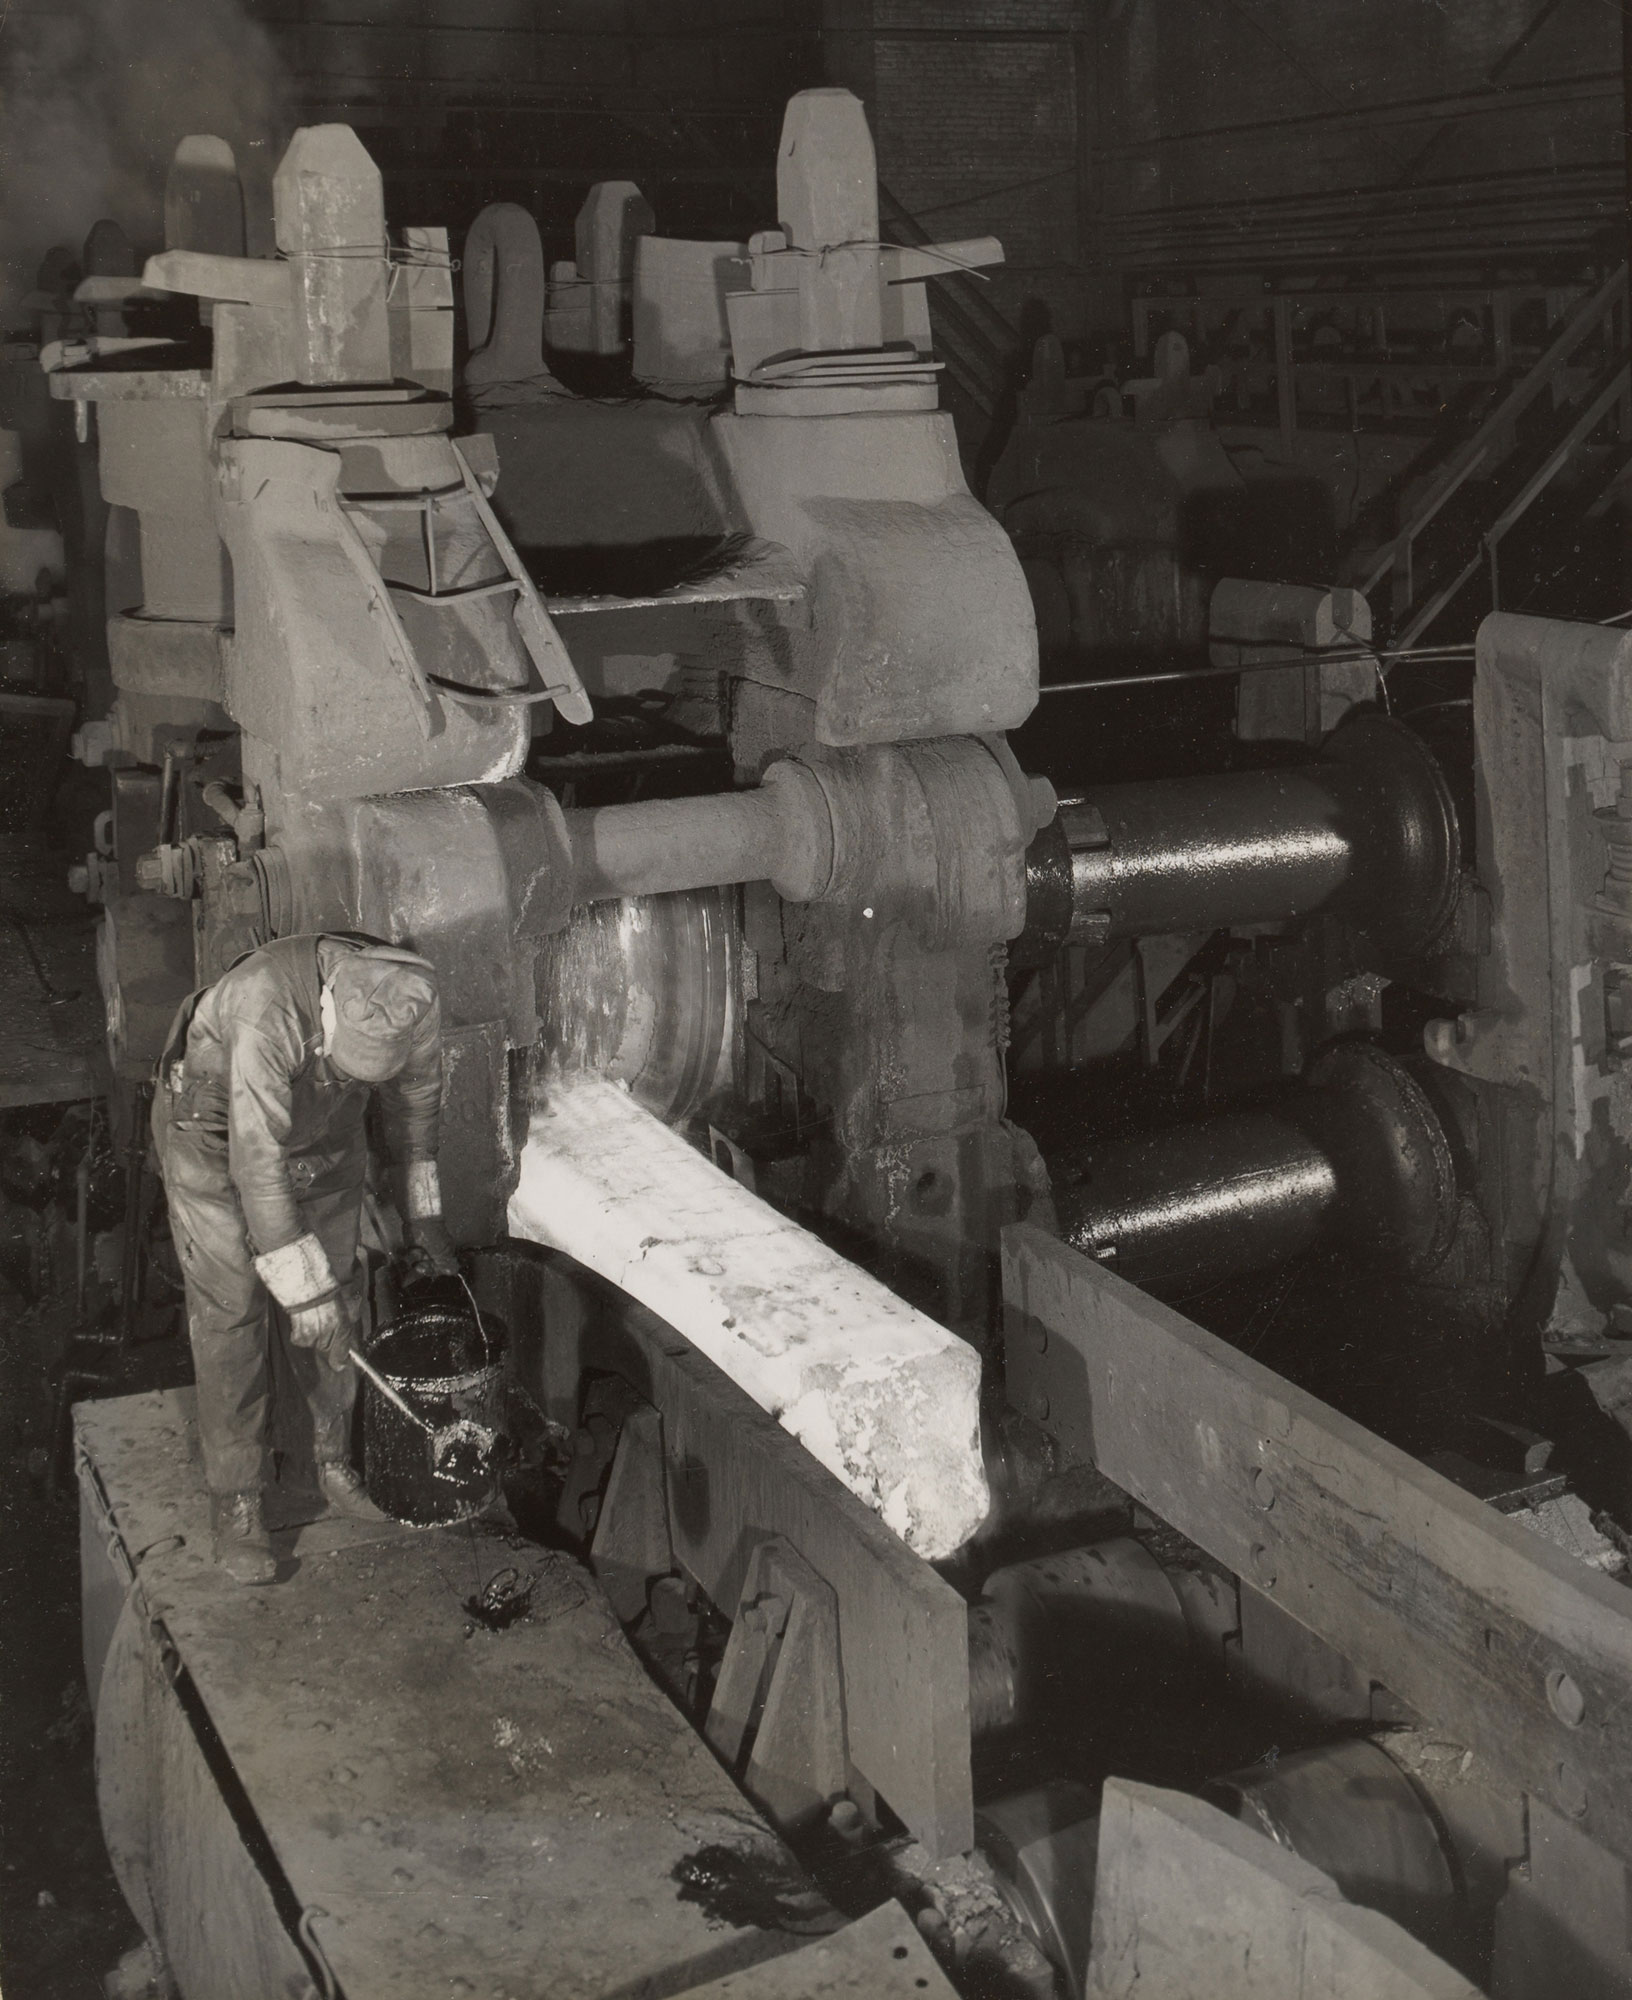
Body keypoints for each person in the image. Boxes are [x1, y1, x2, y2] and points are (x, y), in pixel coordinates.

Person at [152, 933, 459, 1583]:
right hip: (215, 1137)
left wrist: (426, 1222)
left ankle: (323, 1462)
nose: (357, 1073)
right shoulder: (262, 1007)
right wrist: (303, 1291)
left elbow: (420, 1123)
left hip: (326, 1132)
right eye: (348, 1062)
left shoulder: (416, 1000)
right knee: (233, 1309)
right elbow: (256, 1167)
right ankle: (236, 1500)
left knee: (341, 1289)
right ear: (325, 1009)